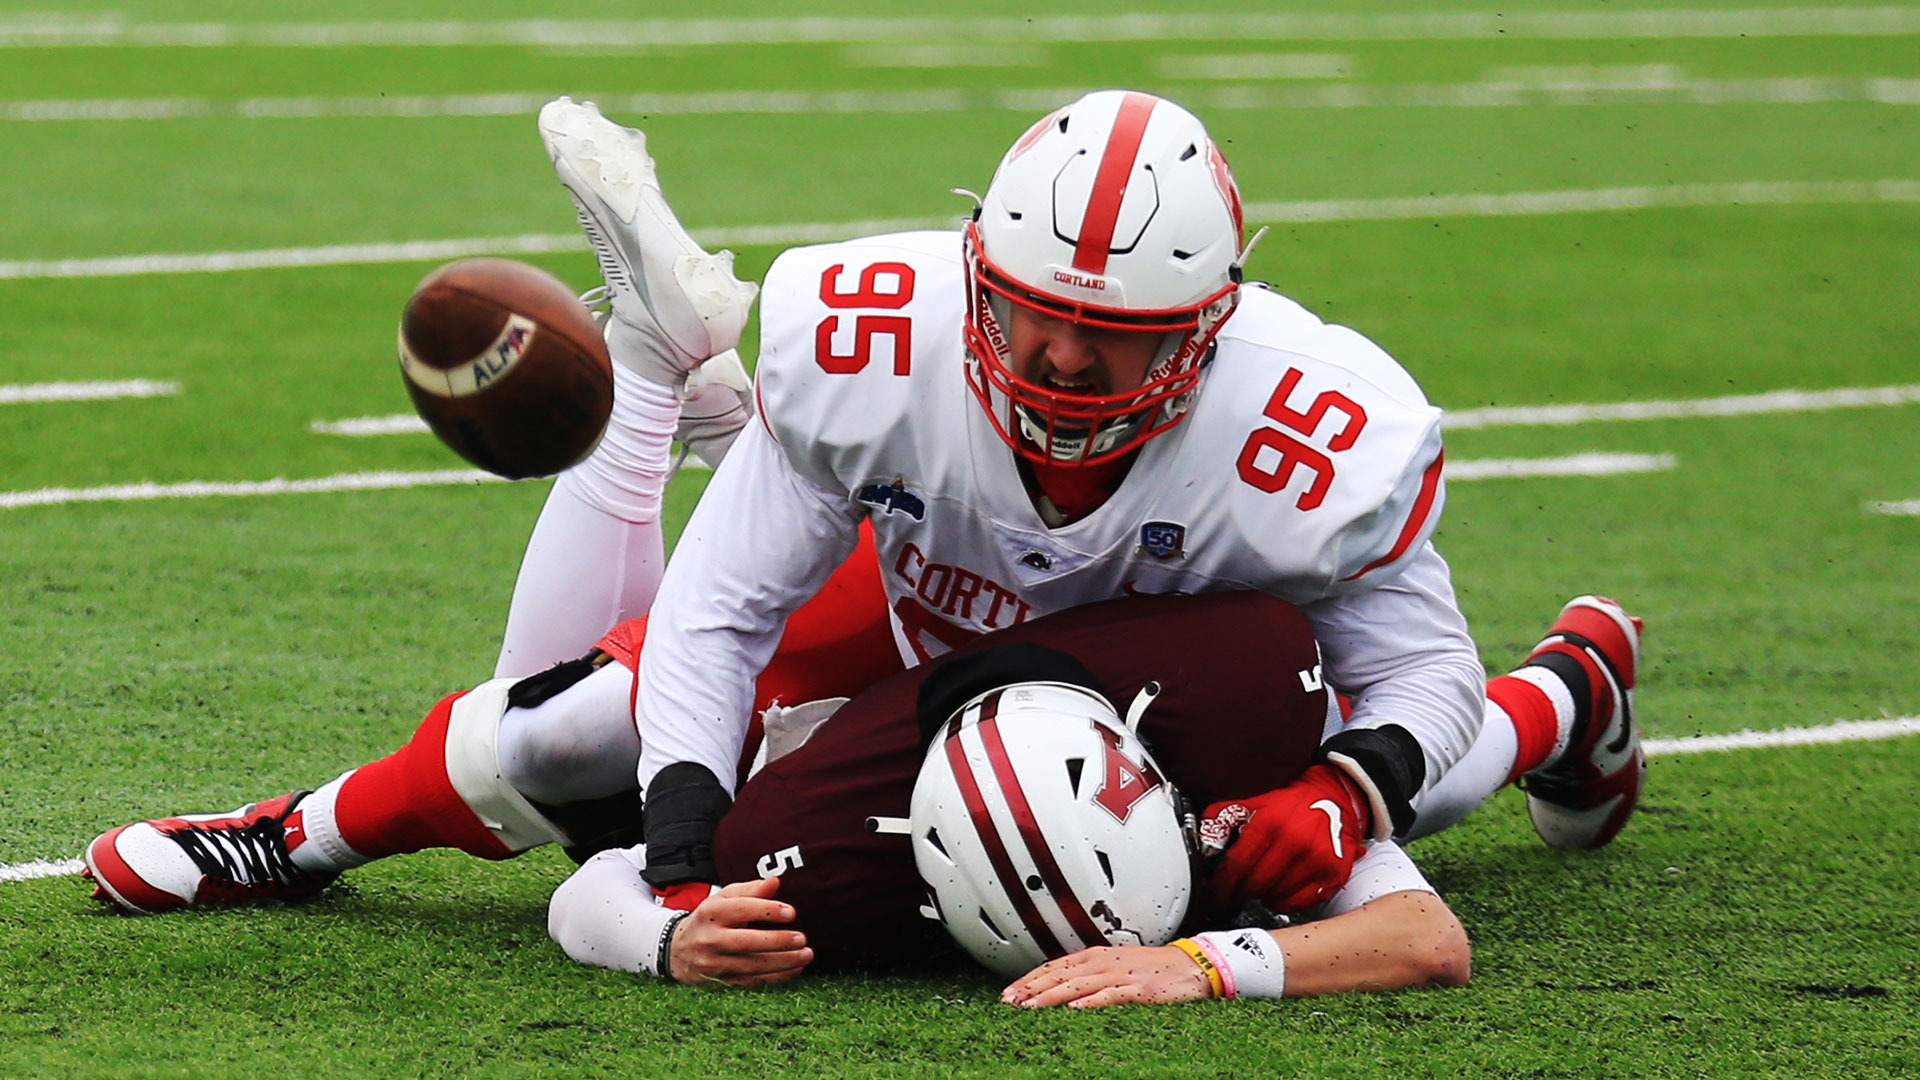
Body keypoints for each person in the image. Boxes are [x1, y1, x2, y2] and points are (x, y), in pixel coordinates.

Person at [82, 91, 1644, 940]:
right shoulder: (872, 341)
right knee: (574, 732)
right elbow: (721, 607)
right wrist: (685, 827)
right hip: (921, 630)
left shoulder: (1314, 424)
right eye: (1029, 314)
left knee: (1402, 805)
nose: (1056, 359)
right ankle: (300, 836)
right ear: (975, 271)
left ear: (1211, 331)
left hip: (1171, 688)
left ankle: (1569, 688)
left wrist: (1358, 794)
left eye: (1112, 338)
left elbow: (1418, 681)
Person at [543, 587, 1642, 1003]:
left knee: (1410, 789)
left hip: (1161, 648)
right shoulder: (835, 852)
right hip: (889, 668)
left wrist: (1201, 964)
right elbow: (595, 886)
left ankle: (1566, 687)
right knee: (543, 741)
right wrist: (671, 937)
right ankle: (1574, 683)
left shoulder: (1219, 779)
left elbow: (1425, 939)